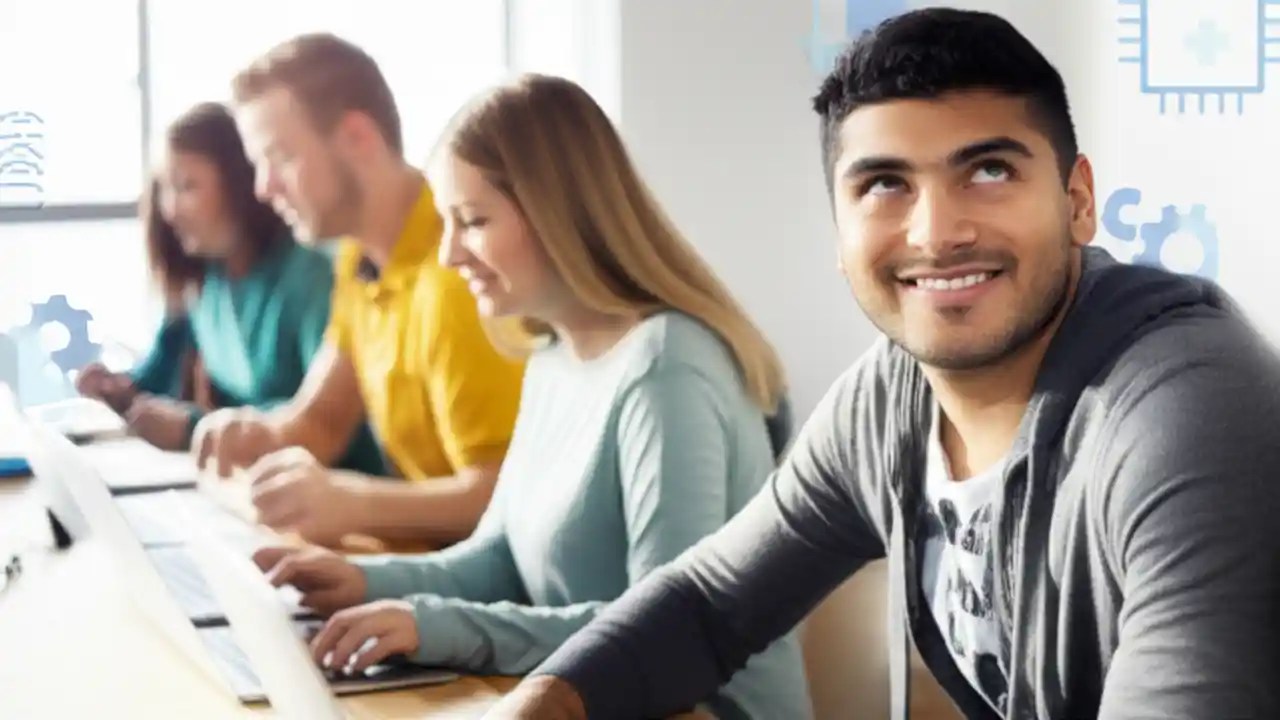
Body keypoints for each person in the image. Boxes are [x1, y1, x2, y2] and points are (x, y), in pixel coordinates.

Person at [484, 8, 1280, 720]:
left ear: (1077, 201)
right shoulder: (888, 397)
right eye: (885, 184)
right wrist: (540, 704)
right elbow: (708, 604)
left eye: (989, 170)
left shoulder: (1186, 406)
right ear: (839, 231)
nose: (937, 232)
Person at [249, 73, 814, 719]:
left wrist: (433, 626)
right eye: (446, 223)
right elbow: (498, 561)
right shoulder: (552, 356)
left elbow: (660, 634)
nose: (450, 254)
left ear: (560, 213)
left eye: (473, 221)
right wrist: (363, 582)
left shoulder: (667, 369)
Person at [190, 33, 526, 547]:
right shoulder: (360, 259)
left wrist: (352, 504)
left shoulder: (458, 278)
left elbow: (504, 496)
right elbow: (320, 422)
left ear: (357, 138)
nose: (263, 188)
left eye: (279, 157)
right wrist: (257, 431)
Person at [75, 102, 382, 473]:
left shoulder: (313, 273)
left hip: (336, 485)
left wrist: (195, 426)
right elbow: (157, 374)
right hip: (256, 480)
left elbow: (318, 417)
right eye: (164, 190)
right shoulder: (203, 280)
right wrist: (119, 391)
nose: (169, 210)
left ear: (241, 183)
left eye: (187, 186)